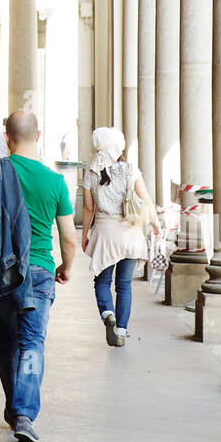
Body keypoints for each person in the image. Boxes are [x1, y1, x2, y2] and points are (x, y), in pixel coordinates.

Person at [0, 108, 78, 442]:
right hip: (38, 269)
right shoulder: (54, 181)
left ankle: (14, 409)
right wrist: (65, 267)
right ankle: (24, 414)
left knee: (5, 344)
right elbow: (69, 237)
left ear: (6, 138)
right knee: (32, 342)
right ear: (38, 136)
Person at [82, 126, 160, 347]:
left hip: (105, 234)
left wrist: (85, 234)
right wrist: (155, 223)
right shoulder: (131, 170)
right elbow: (146, 200)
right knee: (124, 284)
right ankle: (122, 332)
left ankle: (108, 314)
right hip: (130, 232)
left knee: (102, 281)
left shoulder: (91, 173)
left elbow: (89, 208)